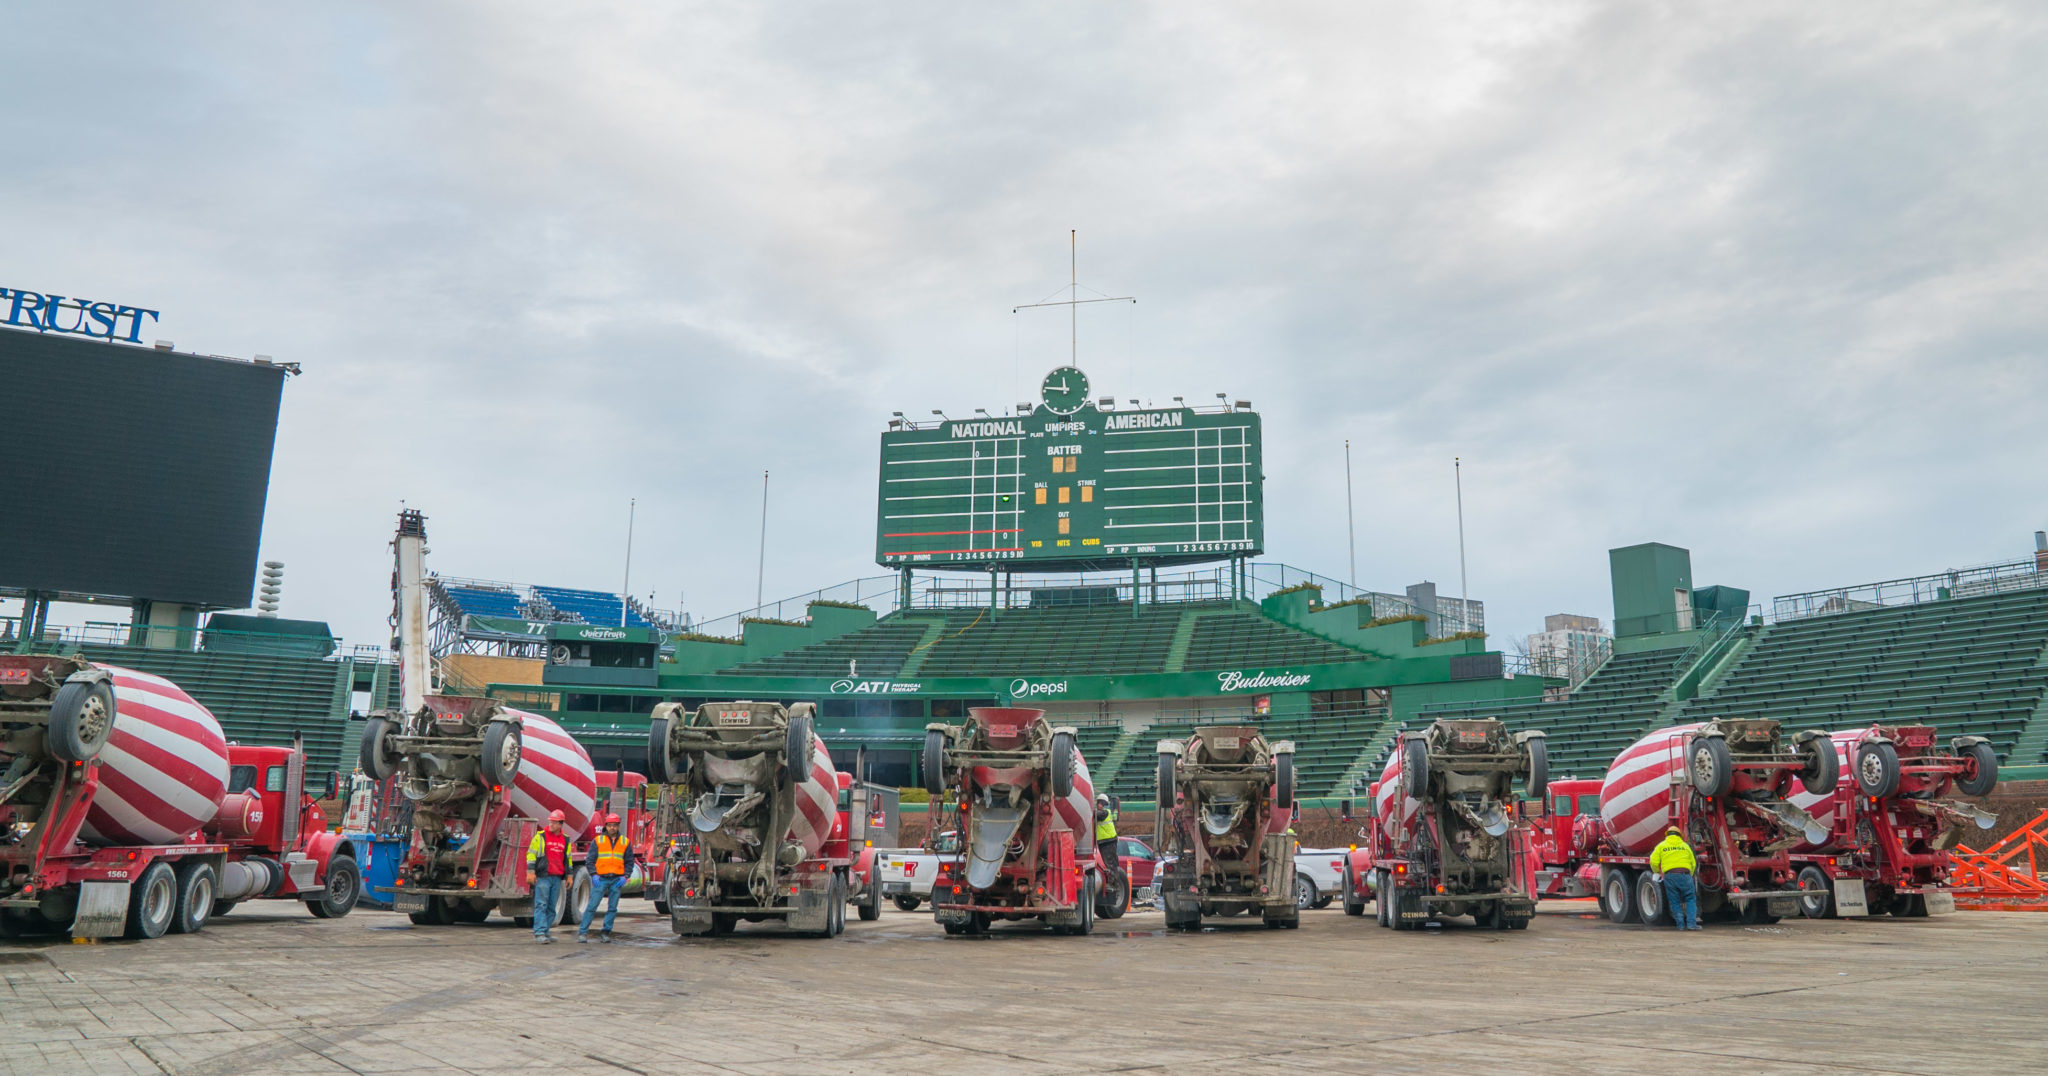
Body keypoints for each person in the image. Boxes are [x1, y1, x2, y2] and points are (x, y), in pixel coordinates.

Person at [580, 813, 635, 942]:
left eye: (614, 825)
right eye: (610, 825)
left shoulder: (625, 842)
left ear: (618, 826)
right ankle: (583, 932)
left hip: (616, 879)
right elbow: (590, 860)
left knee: (612, 908)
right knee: (592, 906)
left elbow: (629, 861)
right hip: (601, 879)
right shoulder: (598, 841)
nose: (612, 828)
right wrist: (594, 875)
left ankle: (606, 932)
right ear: (606, 826)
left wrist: (625, 876)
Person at [526, 809, 571, 943]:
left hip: (557, 878)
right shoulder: (540, 837)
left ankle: (545, 932)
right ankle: (539, 933)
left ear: (560, 824)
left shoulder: (566, 839)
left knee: (551, 907)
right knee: (541, 905)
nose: (551, 824)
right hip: (543, 877)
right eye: (550, 821)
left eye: (554, 822)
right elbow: (531, 854)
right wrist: (530, 872)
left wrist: (570, 876)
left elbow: (568, 859)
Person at [1650, 824, 1700, 931]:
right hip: (1685, 875)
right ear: (1679, 835)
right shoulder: (1685, 846)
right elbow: (1693, 863)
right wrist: (1689, 875)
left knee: (1675, 901)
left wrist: (1657, 872)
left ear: (1667, 835)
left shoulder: (1661, 846)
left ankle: (1680, 925)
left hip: (1670, 876)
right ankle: (1691, 924)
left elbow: (1653, 861)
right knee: (1690, 900)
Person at [1094, 793, 1121, 893]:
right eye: (1098, 803)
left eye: (1101, 803)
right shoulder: (1102, 812)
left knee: (1111, 863)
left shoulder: (1105, 812)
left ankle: (1114, 884)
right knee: (1108, 863)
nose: (1099, 805)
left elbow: (1096, 815)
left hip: (1108, 841)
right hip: (1104, 842)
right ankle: (1113, 882)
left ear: (1105, 804)